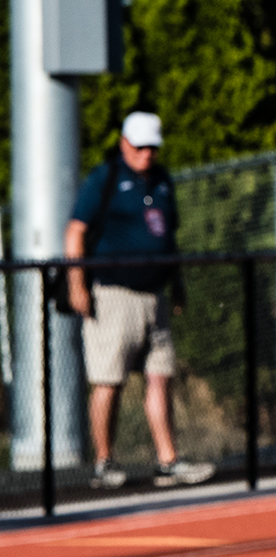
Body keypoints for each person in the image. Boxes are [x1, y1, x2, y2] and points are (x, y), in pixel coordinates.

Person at [66, 111, 213, 490]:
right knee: (108, 380)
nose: (147, 153)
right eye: (141, 146)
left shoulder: (162, 180)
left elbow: (169, 235)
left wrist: (176, 280)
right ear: (124, 143)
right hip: (114, 294)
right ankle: (104, 462)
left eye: (153, 147)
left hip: (154, 296)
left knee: (159, 377)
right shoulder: (105, 178)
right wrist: (77, 283)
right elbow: (75, 230)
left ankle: (168, 461)